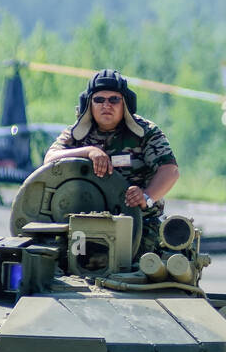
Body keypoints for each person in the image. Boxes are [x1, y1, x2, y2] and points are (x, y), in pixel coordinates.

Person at [43, 70, 179, 258]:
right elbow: (50, 159)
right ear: (89, 103)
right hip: (81, 228)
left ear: (125, 103)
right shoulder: (77, 133)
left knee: (139, 271)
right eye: (99, 100)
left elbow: (170, 171)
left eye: (114, 99)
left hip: (137, 225)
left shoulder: (145, 132)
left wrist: (146, 197)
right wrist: (89, 151)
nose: (106, 105)